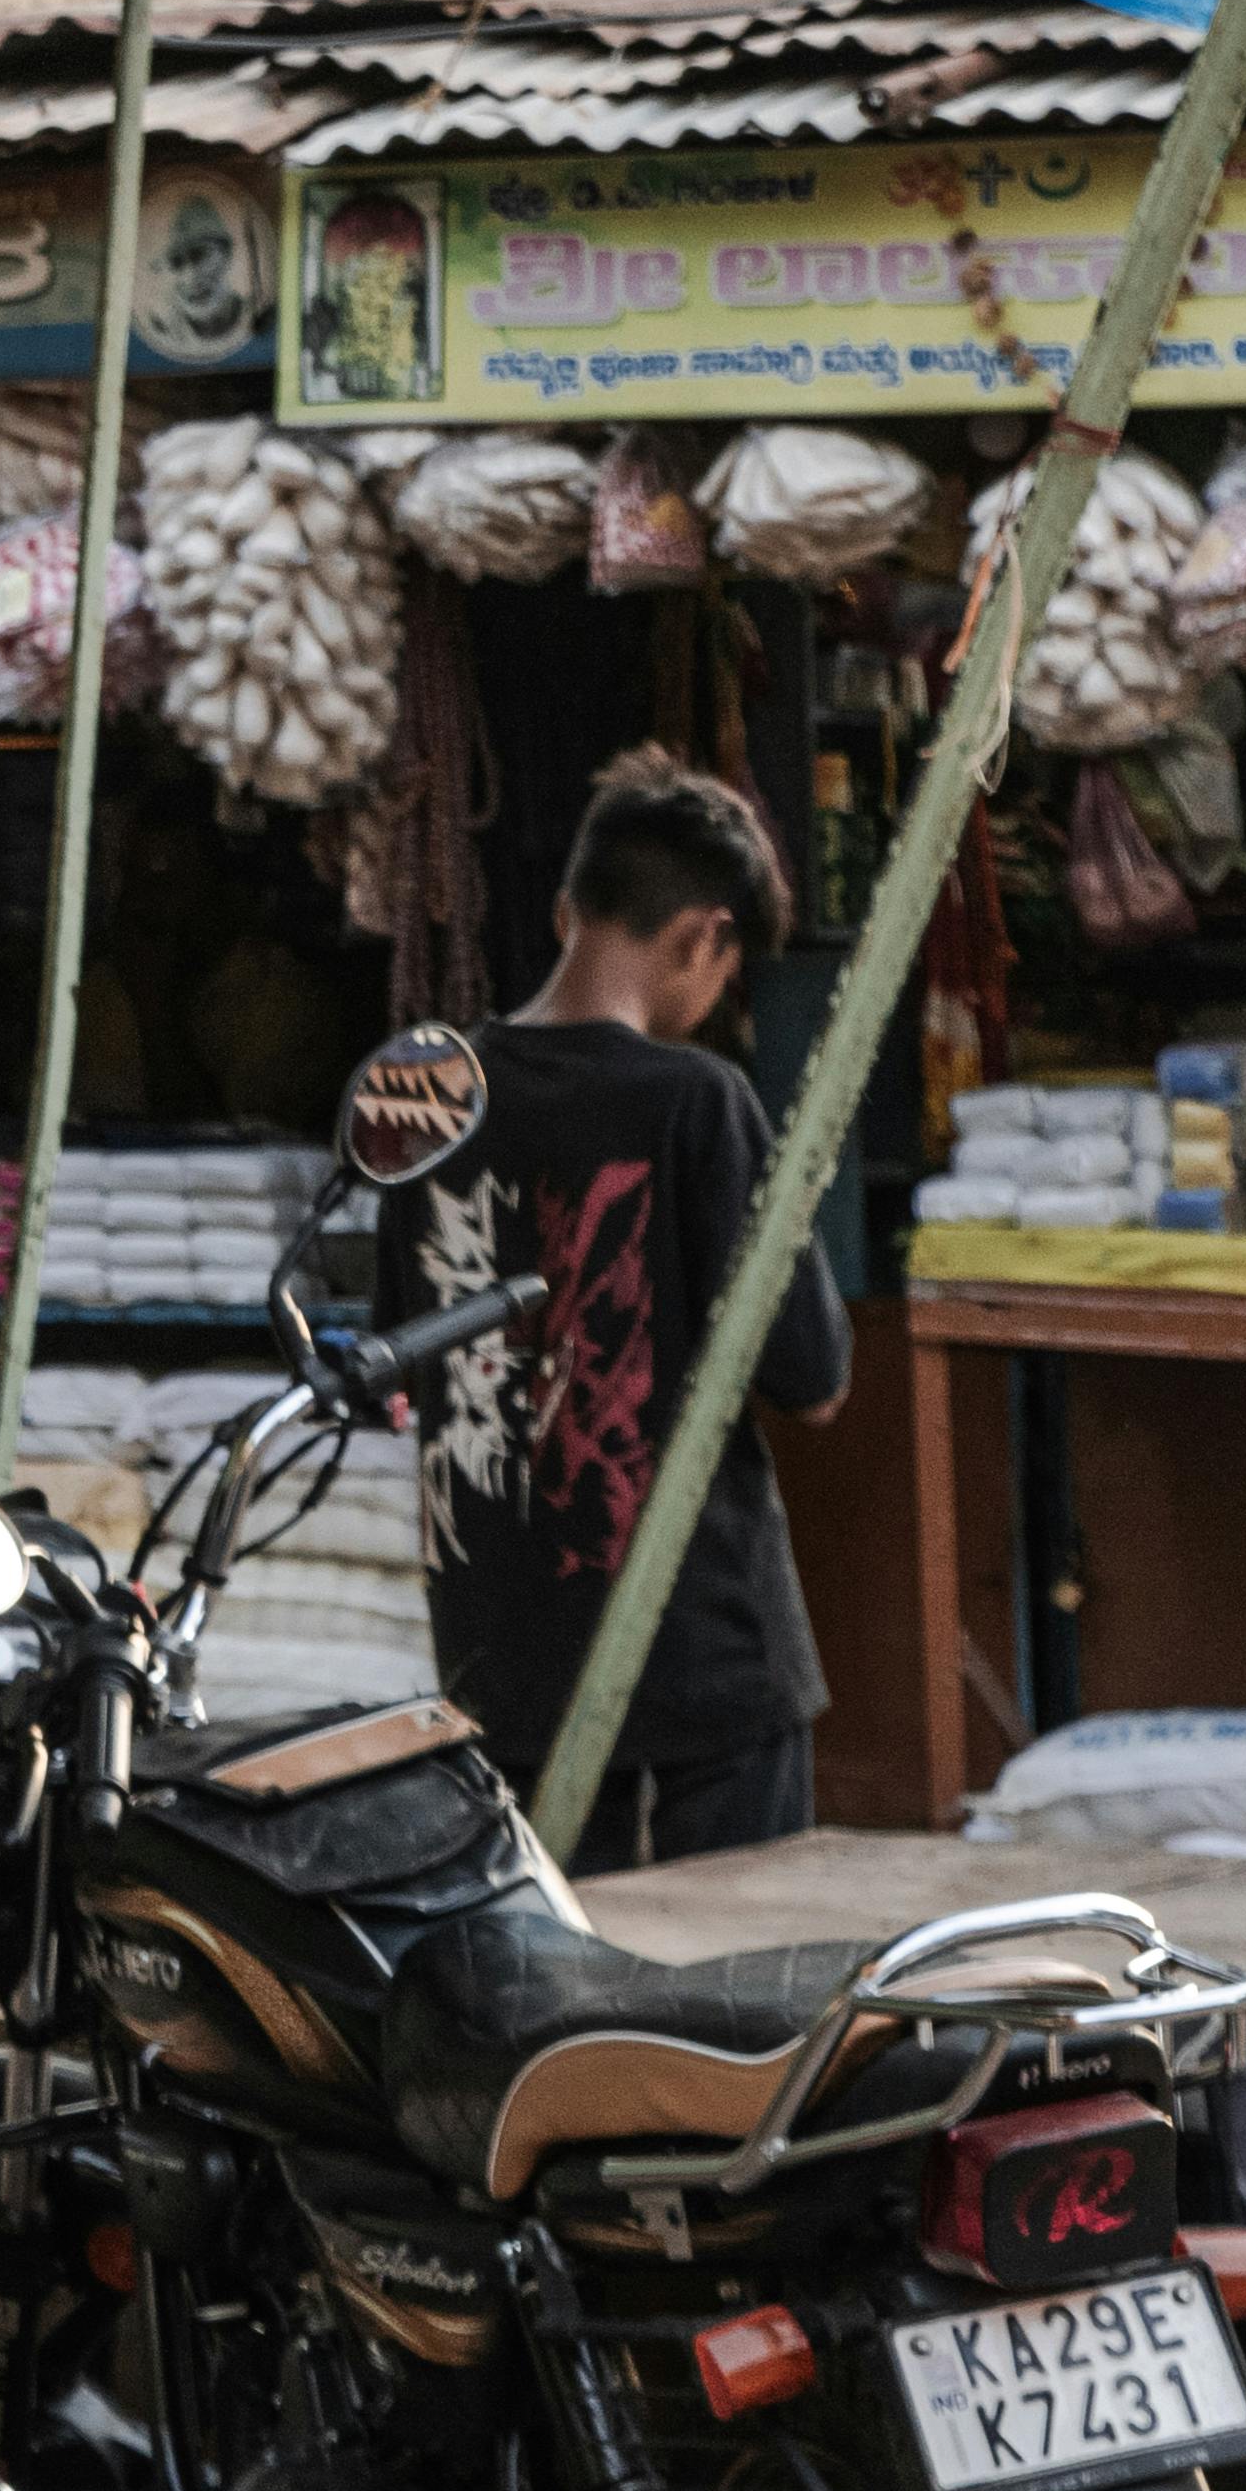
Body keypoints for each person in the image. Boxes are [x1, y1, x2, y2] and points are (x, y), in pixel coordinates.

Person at [385, 751, 855, 1867]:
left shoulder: (424, 1095)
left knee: (562, 2001)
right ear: (704, 936)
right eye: (725, 968)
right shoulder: (698, 1099)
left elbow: (411, 1373)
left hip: (504, 1664)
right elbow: (817, 1379)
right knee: (725, 2006)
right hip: (700, 1660)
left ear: (564, 911)